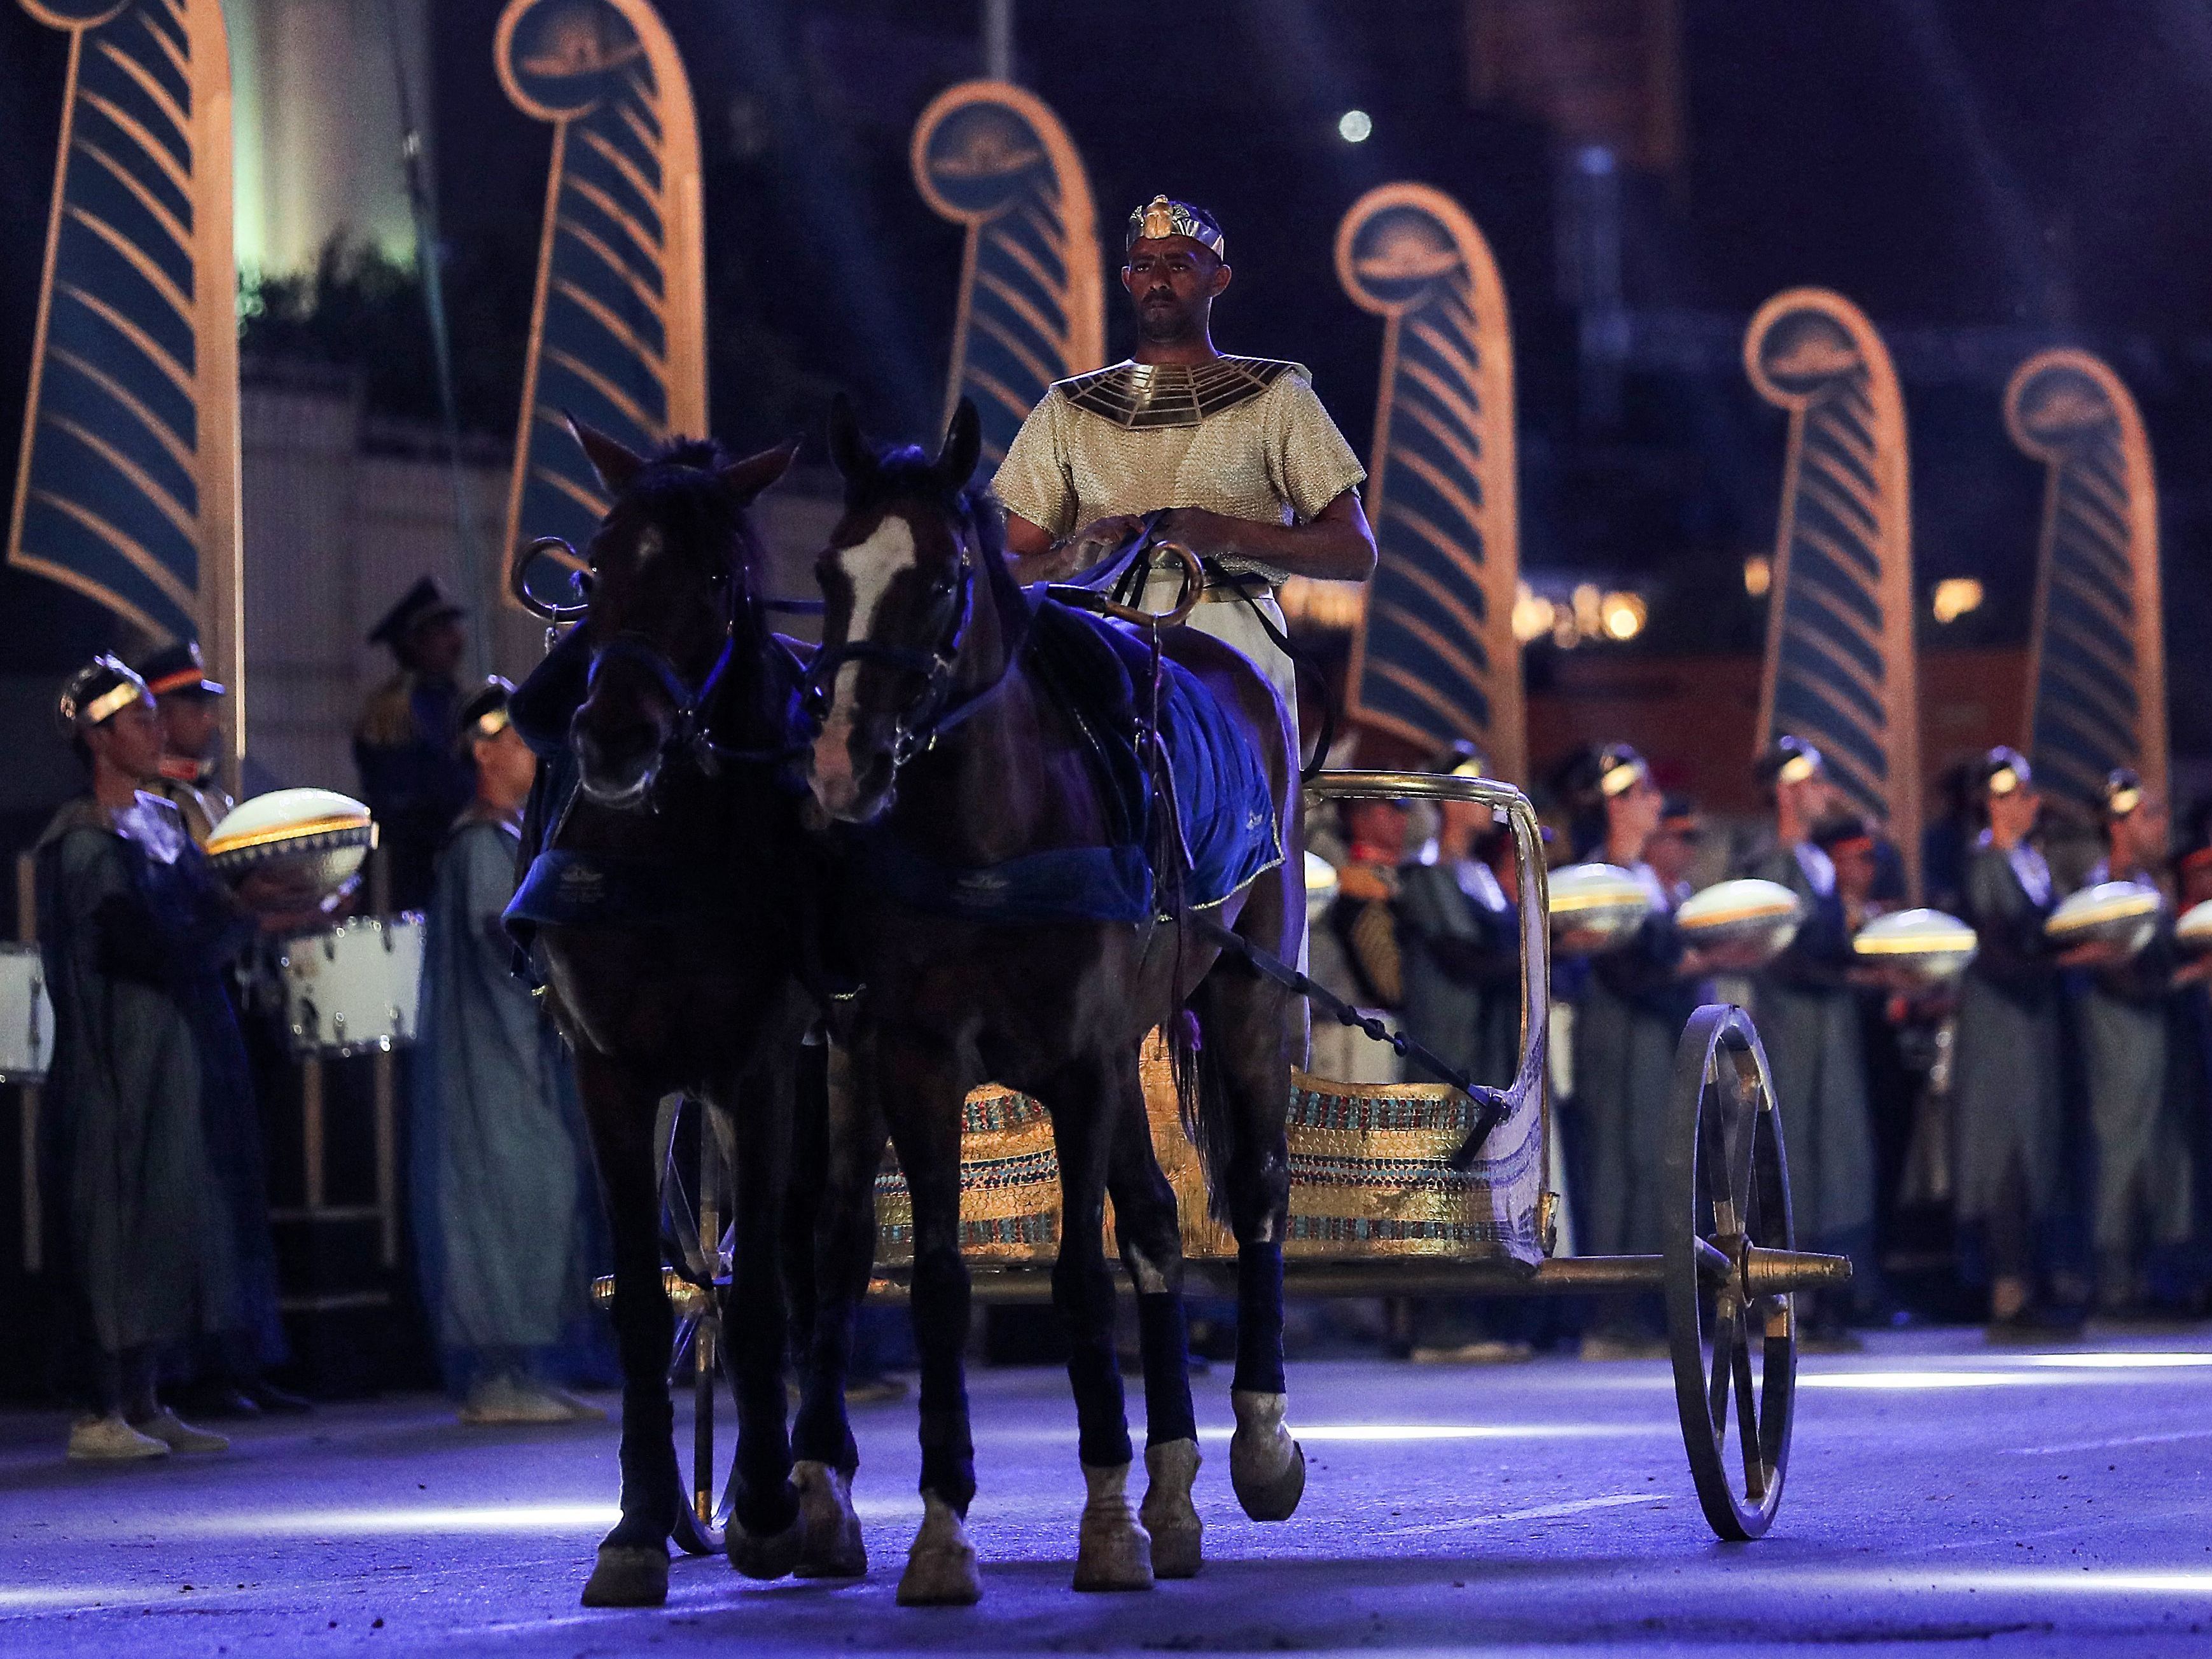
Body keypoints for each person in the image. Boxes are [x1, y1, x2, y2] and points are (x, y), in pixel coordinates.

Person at [36, 659, 307, 1461]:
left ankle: (146, 1395)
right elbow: (141, 945)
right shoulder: (84, 839)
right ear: (96, 738)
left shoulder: (161, 819)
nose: (161, 730)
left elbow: (207, 912)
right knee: (116, 1216)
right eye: (142, 719)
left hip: (181, 1047)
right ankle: (97, 1410)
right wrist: (242, 911)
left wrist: (281, 898)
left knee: (170, 1212)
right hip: (120, 1056)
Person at [994, 194, 1376, 723]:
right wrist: (1068, 557)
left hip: (1234, 641)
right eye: (1145, 265)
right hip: (1099, 639)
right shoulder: (1068, 407)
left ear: (1218, 279)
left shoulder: (1274, 395)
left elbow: (1356, 552)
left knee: (1239, 799)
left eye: (1178, 264)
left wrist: (1227, 534)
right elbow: (1006, 566)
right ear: (1127, 278)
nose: (1158, 280)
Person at [411, 677, 606, 1424]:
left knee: (545, 1195)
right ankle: (496, 1372)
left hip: (524, 1057)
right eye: (522, 740)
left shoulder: (513, 837)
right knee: (510, 1198)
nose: (538, 754)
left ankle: (528, 1364)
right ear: (485, 751)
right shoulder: (476, 845)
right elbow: (503, 938)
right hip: (491, 1064)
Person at [1562, 744, 1736, 1357]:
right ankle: (1611, 1315)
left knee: (1659, 1168)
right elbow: (1623, 973)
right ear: (1612, 805)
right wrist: (1709, 962)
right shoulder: (1600, 879)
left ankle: (1654, 1308)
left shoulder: (1642, 880)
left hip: (1655, 1039)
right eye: (1641, 793)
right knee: (1619, 1170)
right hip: (1619, 1038)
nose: (1656, 804)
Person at [1392, 742, 1533, 1363]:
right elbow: (1460, 960)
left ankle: (1470, 1313)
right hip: (1447, 1048)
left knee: (1477, 1181)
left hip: (1484, 1046)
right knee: (1442, 1179)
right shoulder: (1428, 875)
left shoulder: (1477, 877)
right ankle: (1437, 1323)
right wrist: (1538, 959)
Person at [1743, 738, 1877, 1345]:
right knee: (1793, 1150)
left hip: (1832, 1028)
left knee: (1839, 1153)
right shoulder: (1770, 864)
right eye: (1813, 782)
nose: (1825, 792)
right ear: (1788, 791)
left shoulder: (1820, 865)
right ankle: (1781, 1297)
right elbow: (1782, 955)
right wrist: (1855, 972)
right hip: (1792, 1026)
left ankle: (1834, 1293)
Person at [1952, 747, 2084, 1335]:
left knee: (2034, 1147)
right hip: (2000, 1025)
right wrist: (2070, 958)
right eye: (2013, 794)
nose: (2028, 804)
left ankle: (2030, 1282)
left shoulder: (2031, 862)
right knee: (2004, 1147)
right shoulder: (1987, 864)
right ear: (1992, 802)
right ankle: (2007, 1294)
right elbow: (1998, 950)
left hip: (2032, 1026)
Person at [2075, 771, 2195, 1314]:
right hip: (2118, 1039)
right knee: (2121, 1150)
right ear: (2119, 825)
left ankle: (2158, 1277)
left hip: (2155, 1041)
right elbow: (2117, 974)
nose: (2160, 826)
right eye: (2150, 815)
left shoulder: (2149, 889)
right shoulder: (2102, 896)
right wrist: (2190, 976)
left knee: (2162, 1156)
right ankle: (2115, 1281)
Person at [355, 576, 475, 911]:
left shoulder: (463, 700)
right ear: (414, 643)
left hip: (464, 855)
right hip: (411, 868)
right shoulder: (391, 710)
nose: (456, 639)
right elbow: (400, 791)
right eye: (442, 630)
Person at [135, 640, 232, 847]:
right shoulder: (153, 800)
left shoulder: (214, 797)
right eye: (195, 712)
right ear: (161, 718)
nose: (210, 721)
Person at [1645, 794, 1704, 904]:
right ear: (1657, 836)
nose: (1690, 847)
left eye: (1693, 838)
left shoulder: (1682, 891)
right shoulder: (1635, 882)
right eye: (1686, 837)